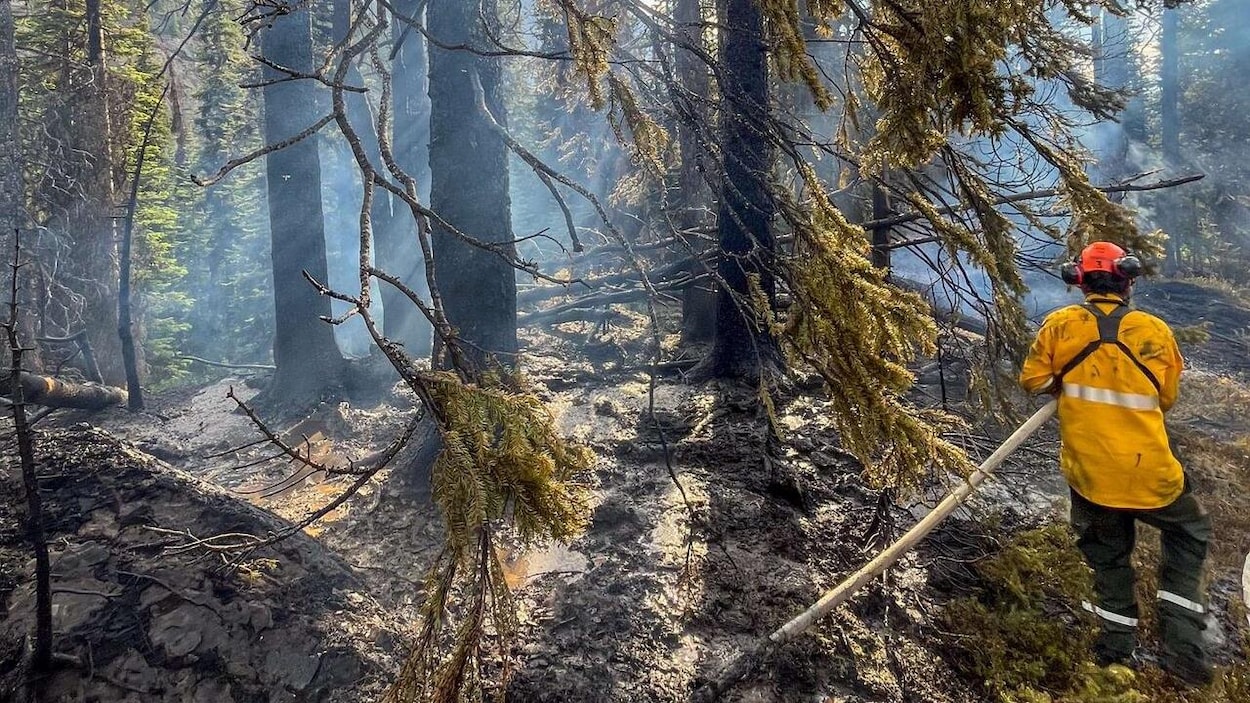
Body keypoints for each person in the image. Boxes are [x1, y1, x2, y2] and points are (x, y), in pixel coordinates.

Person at [1019, 241, 1212, 686]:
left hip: (1091, 477)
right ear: (1128, 279)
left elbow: (1034, 380)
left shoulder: (1061, 326)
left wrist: (1068, 383)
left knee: (1107, 558)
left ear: (1079, 280)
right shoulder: (1152, 331)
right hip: (1152, 473)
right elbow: (1166, 398)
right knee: (1189, 532)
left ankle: (1113, 654)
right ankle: (1182, 648)